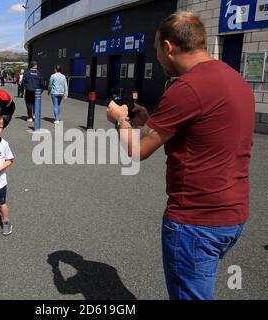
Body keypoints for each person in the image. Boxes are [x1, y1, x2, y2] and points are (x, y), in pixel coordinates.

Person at [106, 11, 255, 300]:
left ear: (169, 47)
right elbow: (203, 132)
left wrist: (120, 120)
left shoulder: (186, 88)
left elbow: (137, 151)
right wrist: (149, 119)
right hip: (233, 214)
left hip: (196, 221)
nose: (157, 58)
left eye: (157, 50)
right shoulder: (234, 79)